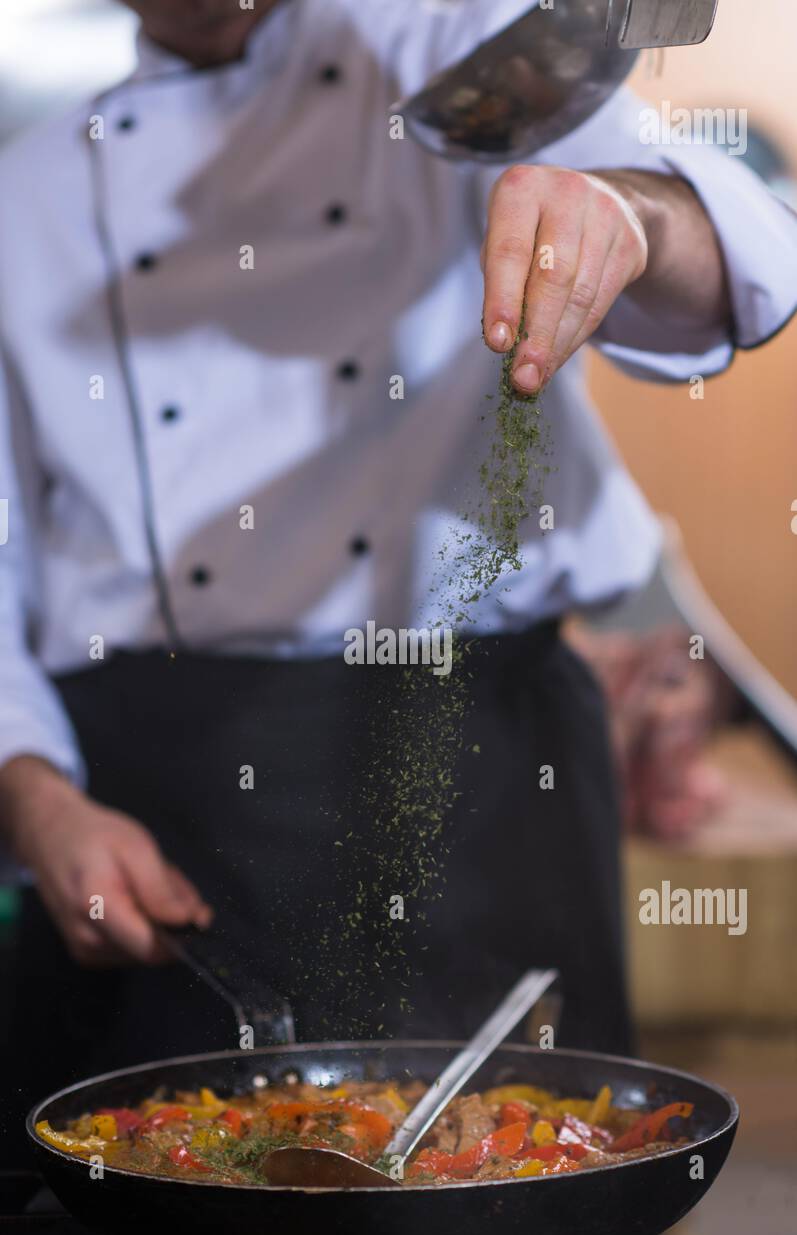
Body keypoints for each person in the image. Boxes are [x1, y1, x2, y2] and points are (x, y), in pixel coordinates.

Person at [0, 0, 795, 1145]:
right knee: (149, 1225)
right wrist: (33, 799)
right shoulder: (23, 197)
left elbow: (731, 261)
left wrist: (628, 214)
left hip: (470, 785)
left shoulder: (438, 51)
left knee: (529, 1189)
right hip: (147, 819)